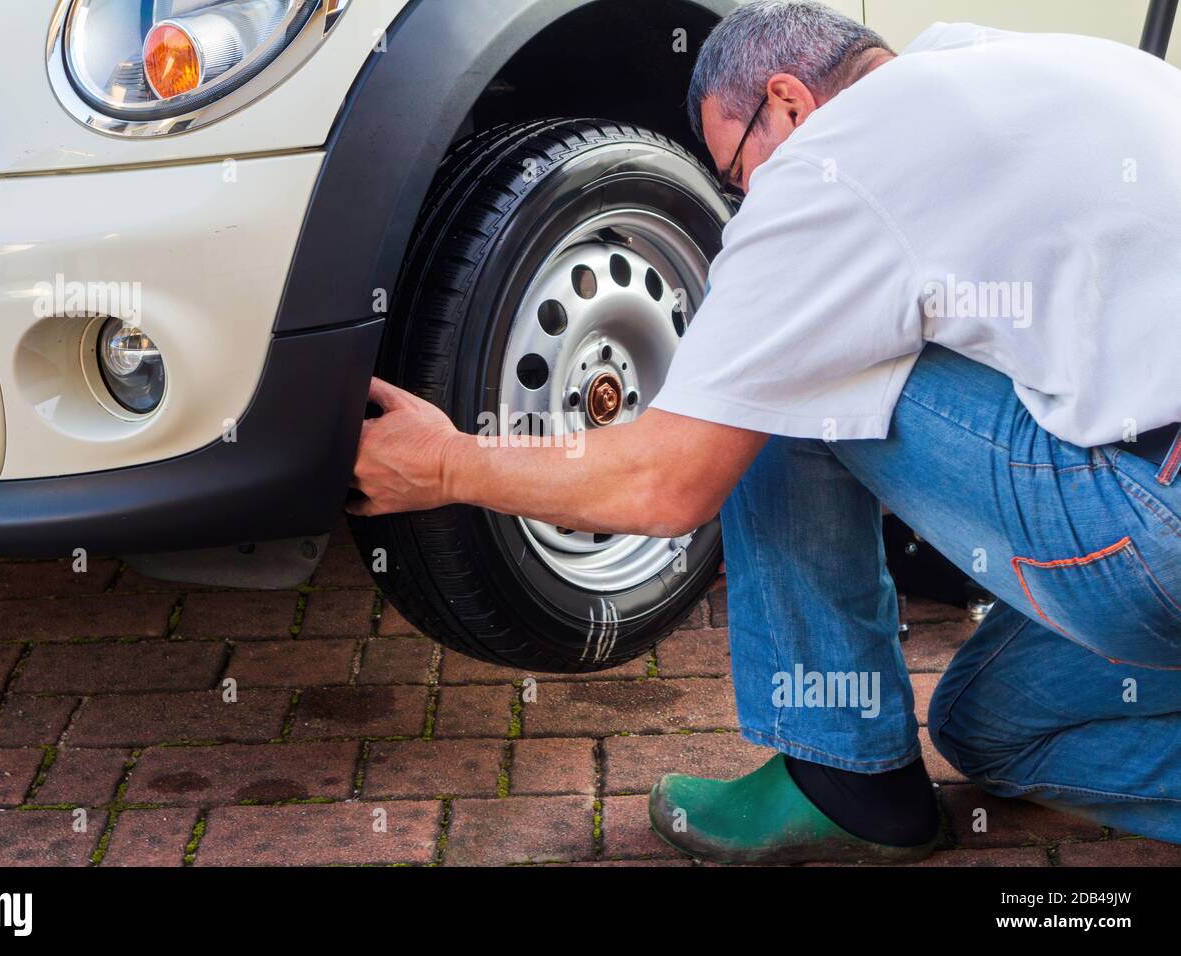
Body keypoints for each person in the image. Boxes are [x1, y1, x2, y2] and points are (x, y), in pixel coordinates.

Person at [349, 0, 1181, 863]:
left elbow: (667, 482)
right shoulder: (1055, 68)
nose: (746, 198)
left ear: (788, 101)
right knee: (992, 727)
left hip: (1157, 532)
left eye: (739, 170)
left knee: (773, 374)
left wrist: (446, 464)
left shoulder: (837, 156)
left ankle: (847, 782)